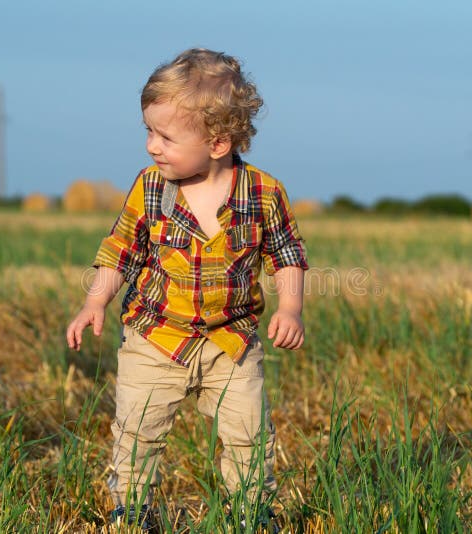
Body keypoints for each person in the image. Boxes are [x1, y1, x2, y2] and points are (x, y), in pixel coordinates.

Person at [66, 48, 308, 530]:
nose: (153, 146)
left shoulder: (263, 193)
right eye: (148, 132)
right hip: (156, 338)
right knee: (137, 431)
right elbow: (120, 249)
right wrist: (95, 299)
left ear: (217, 143)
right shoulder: (150, 187)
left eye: (166, 136)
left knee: (249, 434)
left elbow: (287, 253)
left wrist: (292, 308)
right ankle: (131, 511)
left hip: (232, 341)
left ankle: (252, 513)